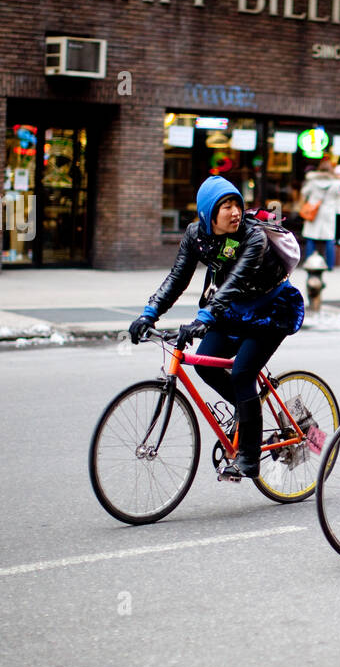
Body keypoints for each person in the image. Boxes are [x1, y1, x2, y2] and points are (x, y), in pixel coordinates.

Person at [128, 176, 304, 481]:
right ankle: (249, 413)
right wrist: (149, 313)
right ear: (209, 213)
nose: (235, 212)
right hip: (230, 309)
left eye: (237, 204)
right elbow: (177, 277)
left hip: (270, 309)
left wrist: (203, 319)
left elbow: (234, 281)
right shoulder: (196, 235)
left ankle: (250, 457)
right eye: (226, 206)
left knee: (242, 374)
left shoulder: (253, 237)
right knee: (206, 366)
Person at [299, 159, 340, 270]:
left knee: (310, 237)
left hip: (314, 211)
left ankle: (309, 263)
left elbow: (304, 193)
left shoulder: (312, 181)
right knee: (329, 239)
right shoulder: (336, 183)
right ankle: (330, 266)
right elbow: (339, 195)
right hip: (329, 212)